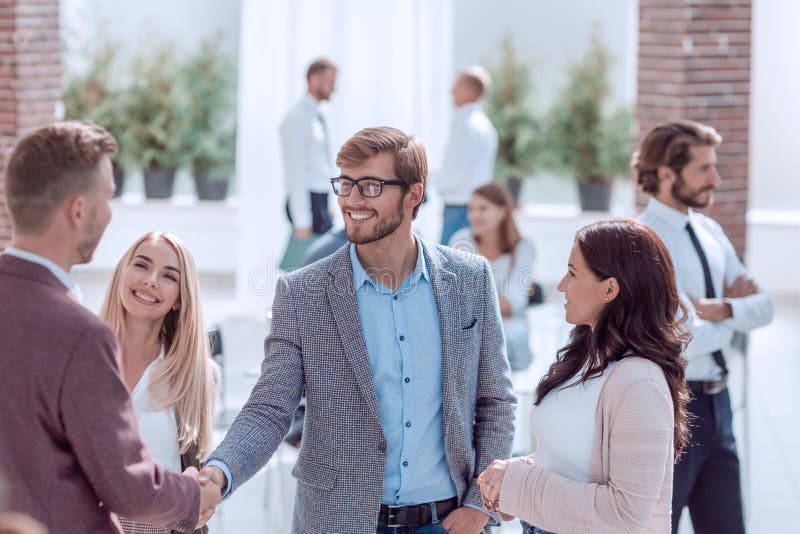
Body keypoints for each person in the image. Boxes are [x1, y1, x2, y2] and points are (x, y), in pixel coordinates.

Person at [199, 127, 516, 533]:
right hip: (338, 521)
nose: (351, 200)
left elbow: (496, 402)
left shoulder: (469, 280)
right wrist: (220, 473)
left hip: (450, 521)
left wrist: (481, 505)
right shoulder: (303, 293)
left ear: (413, 194)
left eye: (369, 186)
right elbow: (270, 409)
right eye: (345, 184)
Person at [0, 121, 220, 533]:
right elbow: (128, 487)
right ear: (79, 210)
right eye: (107, 197)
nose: (109, 213)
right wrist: (196, 496)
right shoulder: (81, 335)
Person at [478, 218, 691, 533]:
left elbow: (624, 514)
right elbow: (567, 461)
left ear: (609, 288)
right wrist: (511, 474)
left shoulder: (641, 384)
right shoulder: (585, 356)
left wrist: (517, 485)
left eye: (573, 273)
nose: (562, 284)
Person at [634, 120, 774, 534]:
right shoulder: (644, 239)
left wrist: (725, 311)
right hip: (673, 405)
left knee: (728, 527)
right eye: (704, 168)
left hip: (719, 404)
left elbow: (763, 307)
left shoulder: (710, 231)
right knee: (659, 527)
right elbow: (674, 342)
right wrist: (733, 317)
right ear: (665, 174)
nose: (716, 177)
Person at [99, 232, 220, 534]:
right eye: (141, 265)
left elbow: (198, 470)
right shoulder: (79, 357)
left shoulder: (197, 376)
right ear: (122, 272)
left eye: (168, 276)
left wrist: (199, 488)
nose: (151, 280)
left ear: (180, 298)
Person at [449, 183, 535, 371]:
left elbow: (513, 302)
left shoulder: (523, 248)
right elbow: (456, 297)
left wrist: (473, 298)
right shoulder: (462, 240)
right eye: (471, 209)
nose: (474, 216)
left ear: (502, 211)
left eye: (483, 209)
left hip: (508, 336)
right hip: (469, 332)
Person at [437, 66, 499, 245]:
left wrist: (433, 185)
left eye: (457, 84)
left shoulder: (465, 126)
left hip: (458, 208)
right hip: (473, 207)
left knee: (447, 266)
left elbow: (455, 172)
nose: (452, 90)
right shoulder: (484, 125)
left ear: (469, 90)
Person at [280, 58, 338, 241]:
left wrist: (328, 204)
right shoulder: (296, 118)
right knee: (309, 263)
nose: (334, 88)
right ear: (314, 79)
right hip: (308, 202)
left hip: (319, 200)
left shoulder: (317, 116)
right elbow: (295, 171)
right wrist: (302, 219)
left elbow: (320, 164)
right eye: (330, 82)